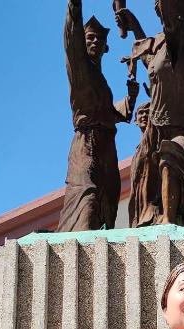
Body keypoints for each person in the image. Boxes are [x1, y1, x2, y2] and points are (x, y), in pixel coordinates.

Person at [116, 0, 184, 225]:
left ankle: (169, 223)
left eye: (164, 8)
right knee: (143, 173)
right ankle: (149, 219)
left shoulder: (182, 36)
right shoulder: (159, 46)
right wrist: (133, 24)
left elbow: (170, 25)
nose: (162, 12)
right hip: (157, 127)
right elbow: (150, 60)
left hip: (183, 127)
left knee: (169, 159)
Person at [59, 0, 139, 232]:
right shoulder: (80, 68)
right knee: (87, 195)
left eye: (99, 39)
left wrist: (130, 99)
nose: (94, 41)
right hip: (87, 143)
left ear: (106, 47)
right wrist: (75, 6)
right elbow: (71, 37)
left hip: (107, 145)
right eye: (90, 37)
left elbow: (108, 113)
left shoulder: (101, 81)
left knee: (109, 199)